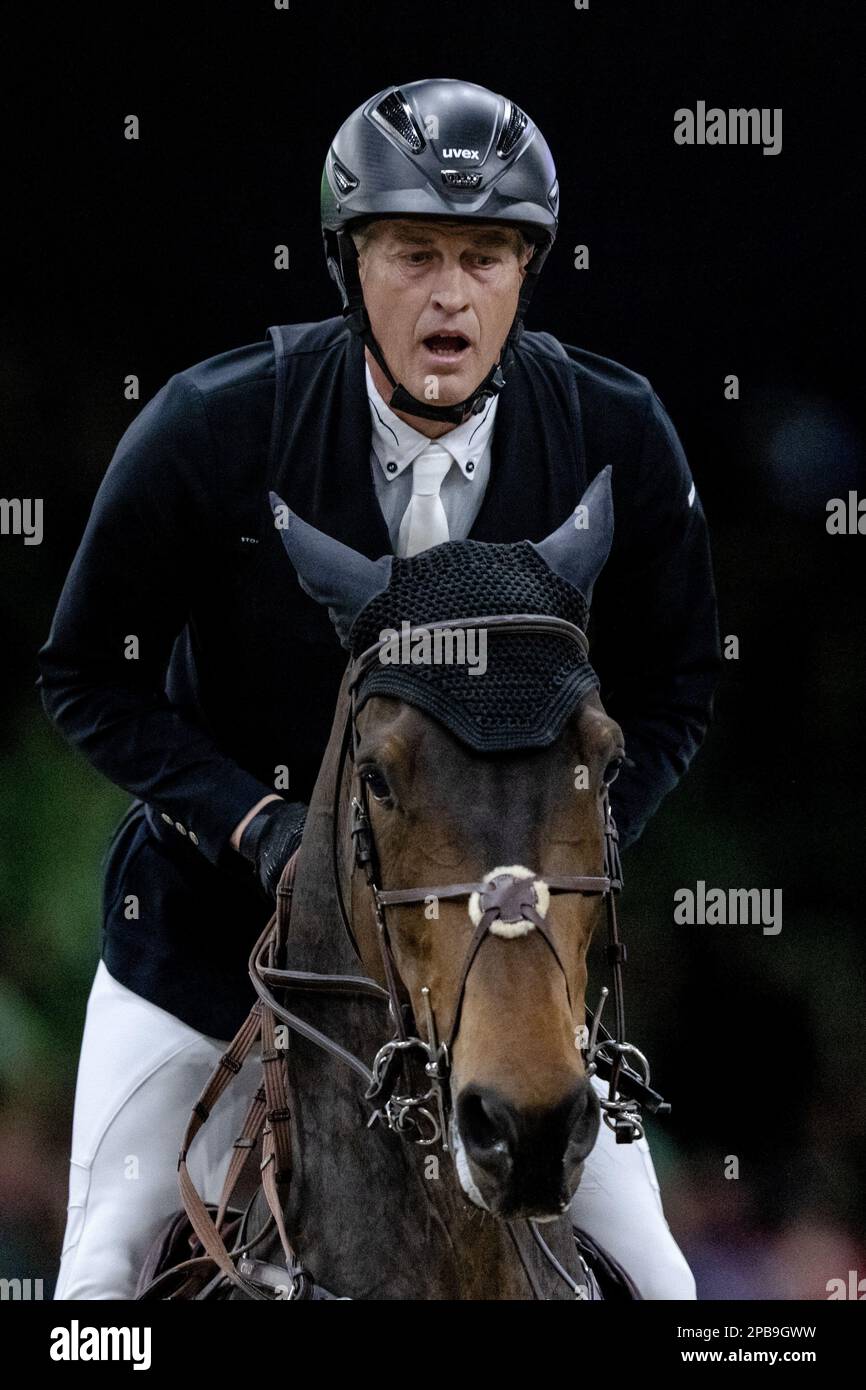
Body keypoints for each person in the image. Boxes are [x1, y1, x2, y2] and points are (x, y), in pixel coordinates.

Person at [38, 77, 720, 1300]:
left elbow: (675, 692)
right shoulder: (212, 423)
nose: (450, 294)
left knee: (664, 1285)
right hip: (209, 949)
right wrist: (257, 822)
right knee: (97, 1280)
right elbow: (83, 675)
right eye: (414, 253)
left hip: (501, 975)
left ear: (524, 272)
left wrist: (559, 851)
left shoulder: (618, 428)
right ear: (351, 263)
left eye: (484, 255)